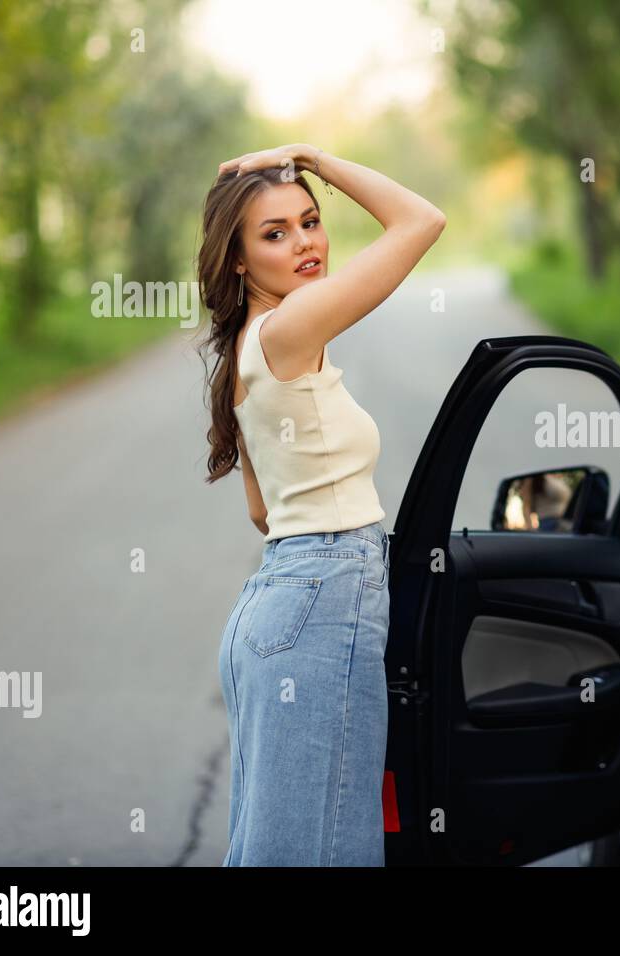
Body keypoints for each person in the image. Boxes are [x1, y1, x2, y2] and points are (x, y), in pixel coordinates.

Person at [197, 143, 445, 865]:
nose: (305, 243)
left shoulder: (253, 344)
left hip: (278, 605)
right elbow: (420, 221)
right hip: (320, 603)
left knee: (283, 847)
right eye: (275, 233)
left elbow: (263, 512)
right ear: (238, 260)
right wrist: (313, 156)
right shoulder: (290, 329)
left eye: (311, 221)